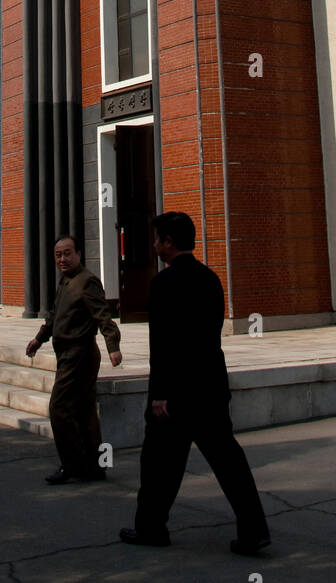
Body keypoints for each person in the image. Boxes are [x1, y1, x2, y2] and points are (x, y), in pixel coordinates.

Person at [119, 211, 271, 555]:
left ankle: (151, 528)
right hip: (210, 386)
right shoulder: (211, 279)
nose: (155, 245)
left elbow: (163, 345)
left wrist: (159, 394)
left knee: (159, 465)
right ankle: (254, 531)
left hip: (175, 395)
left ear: (169, 242)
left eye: (158, 239)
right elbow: (210, 336)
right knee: (229, 462)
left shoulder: (163, 284)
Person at [26, 234, 122, 484]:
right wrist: (39, 339)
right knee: (84, 410)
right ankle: (95, 466)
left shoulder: (87, 281)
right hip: (67, 353)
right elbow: (54, 317)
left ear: (79, 254)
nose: (63, 259)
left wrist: (113, 346)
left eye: (68, 253)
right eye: (58, 255)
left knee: (59, 408)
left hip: (79, 354)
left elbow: (104, 316)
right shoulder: (66, 282)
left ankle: (72, 465)